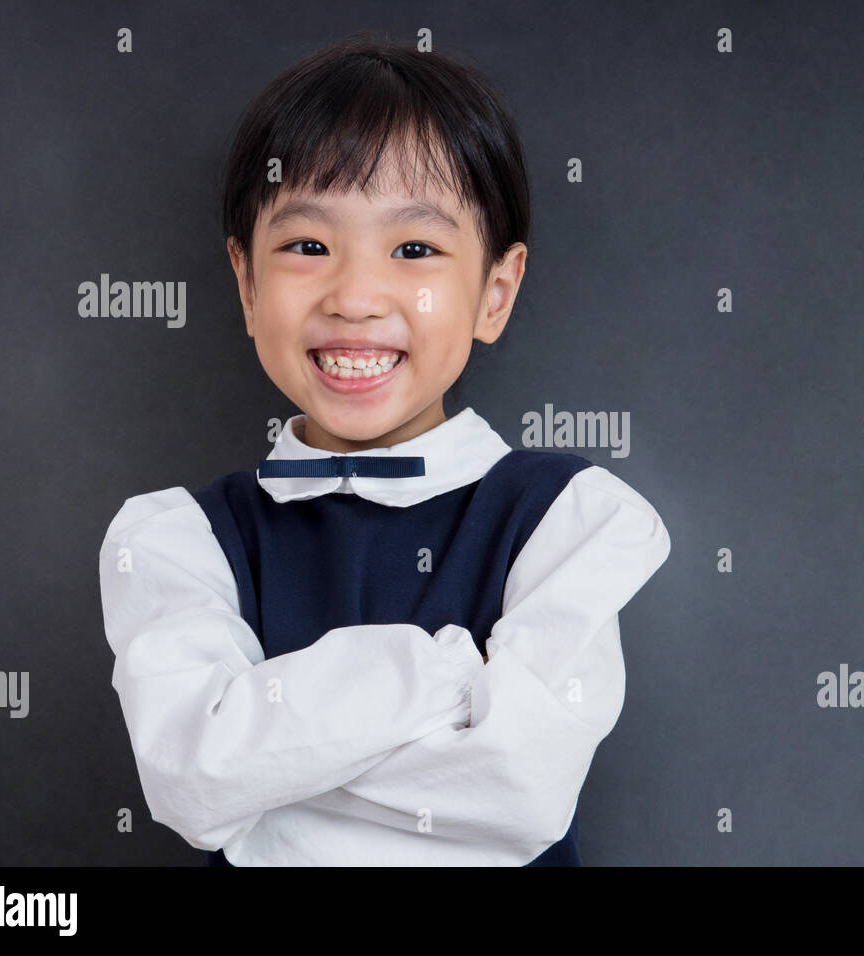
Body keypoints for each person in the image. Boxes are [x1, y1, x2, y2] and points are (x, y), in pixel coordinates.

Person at [97, 33, 670, 866]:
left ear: (495, 293)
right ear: (248, 286)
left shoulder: (569, 520)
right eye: (306, 246)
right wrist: (453, 676)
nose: (357, 297)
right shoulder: (178, 541)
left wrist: (272, 762)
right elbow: (194, 782)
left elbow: (519, 791)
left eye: (414, 250)